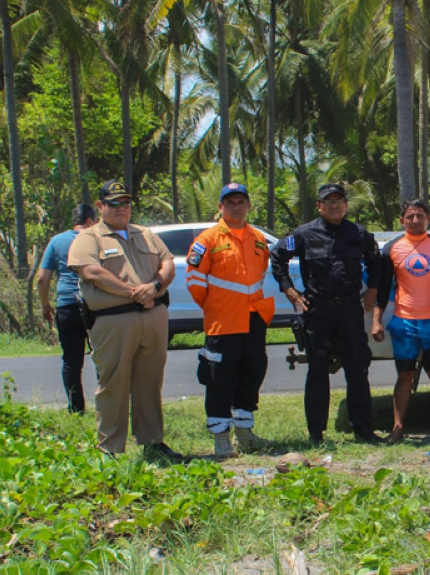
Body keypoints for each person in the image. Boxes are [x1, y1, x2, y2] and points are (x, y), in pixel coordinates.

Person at [67, 180, 182, 461]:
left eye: (126, 203)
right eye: (115, 203)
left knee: (150, 382)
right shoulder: (89, 238)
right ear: (101, 206)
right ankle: (110, 447)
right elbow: (92, 272)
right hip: (113, 320)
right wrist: (134, 292)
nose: (122, 209)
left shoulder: (145, 234)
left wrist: (153, 287)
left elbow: (167, 264)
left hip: (152, 316)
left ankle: (153, 442)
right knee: (113, 384)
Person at [271, 183, 383, 444]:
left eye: (339, 201)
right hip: (318, 310)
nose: (334, 205)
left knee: (357, 370)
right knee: (317, 372)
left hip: (350, 310)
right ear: (319, 206)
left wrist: (373, 289)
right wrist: (289, 289)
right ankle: (316, 433)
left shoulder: (359, 233)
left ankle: (363, 430)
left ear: (345, 205)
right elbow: (277, 257)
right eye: (328, 201)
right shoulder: (302, 234)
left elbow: (377, 261)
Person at [186, 183, 276, 458]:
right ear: (221, 207)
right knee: (219, 379)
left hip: (253, 319)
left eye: (241, 202)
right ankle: (221, 438)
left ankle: (245, 433)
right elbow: (195, 282)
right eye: (230, 202)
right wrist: (218, 307)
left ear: (248, 206)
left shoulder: (258, 238)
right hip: (223, 322)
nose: (236, 206)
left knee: (252, 374)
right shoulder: (207, 240)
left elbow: (259, 275)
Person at [371, 199, 430, 443]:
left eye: (420, 216)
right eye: (410, 216)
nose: (415, 220)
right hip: (404, 323)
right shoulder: (392, 249)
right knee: (404, 376)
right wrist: (376, 321)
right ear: (402, 220)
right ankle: (398, 428)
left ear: (429, 218)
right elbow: (384, 287)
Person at [38, 204, 98, 414]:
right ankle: (106, 406)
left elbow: (42, 278)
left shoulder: (57, 241)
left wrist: (45, 305)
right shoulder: (96, 239)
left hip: (66, 305)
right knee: (102, 357)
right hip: (94, 303)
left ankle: (76, 408)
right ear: (90, 221)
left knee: (72, 361)